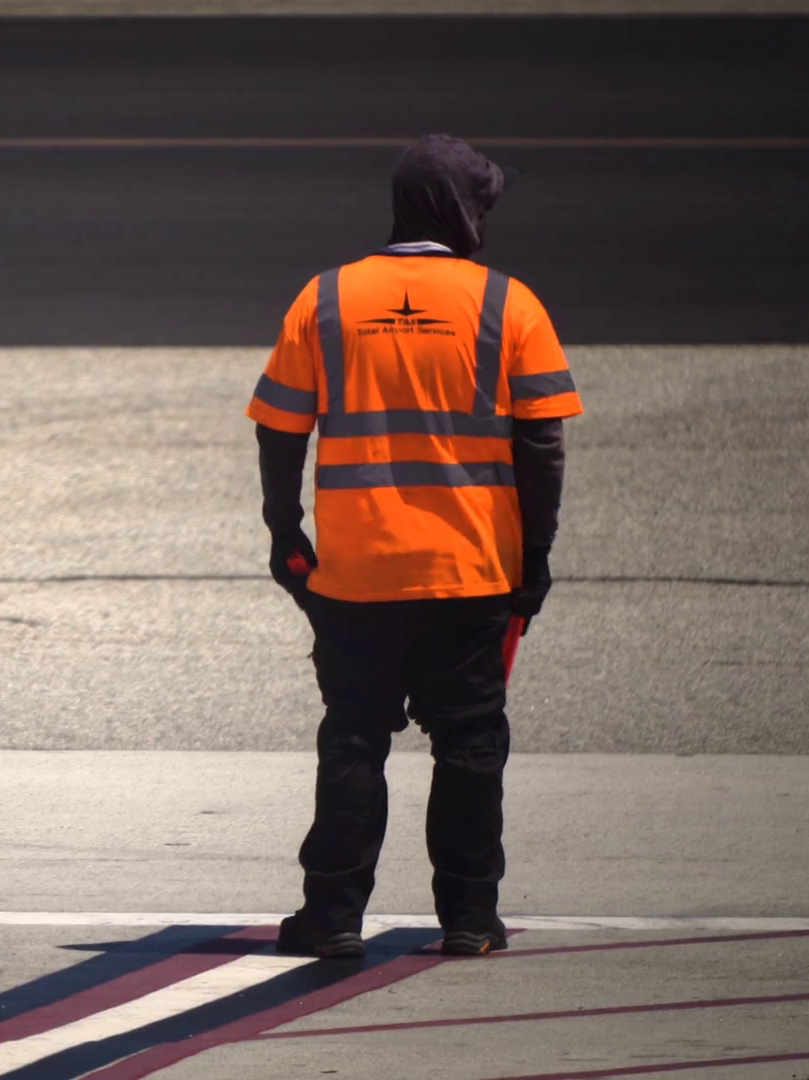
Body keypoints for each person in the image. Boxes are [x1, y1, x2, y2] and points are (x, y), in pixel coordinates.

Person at [245, 134, 583, 959]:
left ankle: (331, 918)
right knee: (470, 745)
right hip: (471, 573)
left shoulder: (325, 299)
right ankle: (468, 919)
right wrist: (533, 559)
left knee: (354, 737)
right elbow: (541, 446)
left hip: (355, 575)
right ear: (462, 210)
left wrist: (284, 531)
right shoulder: (510, 305)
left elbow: (280, 429)